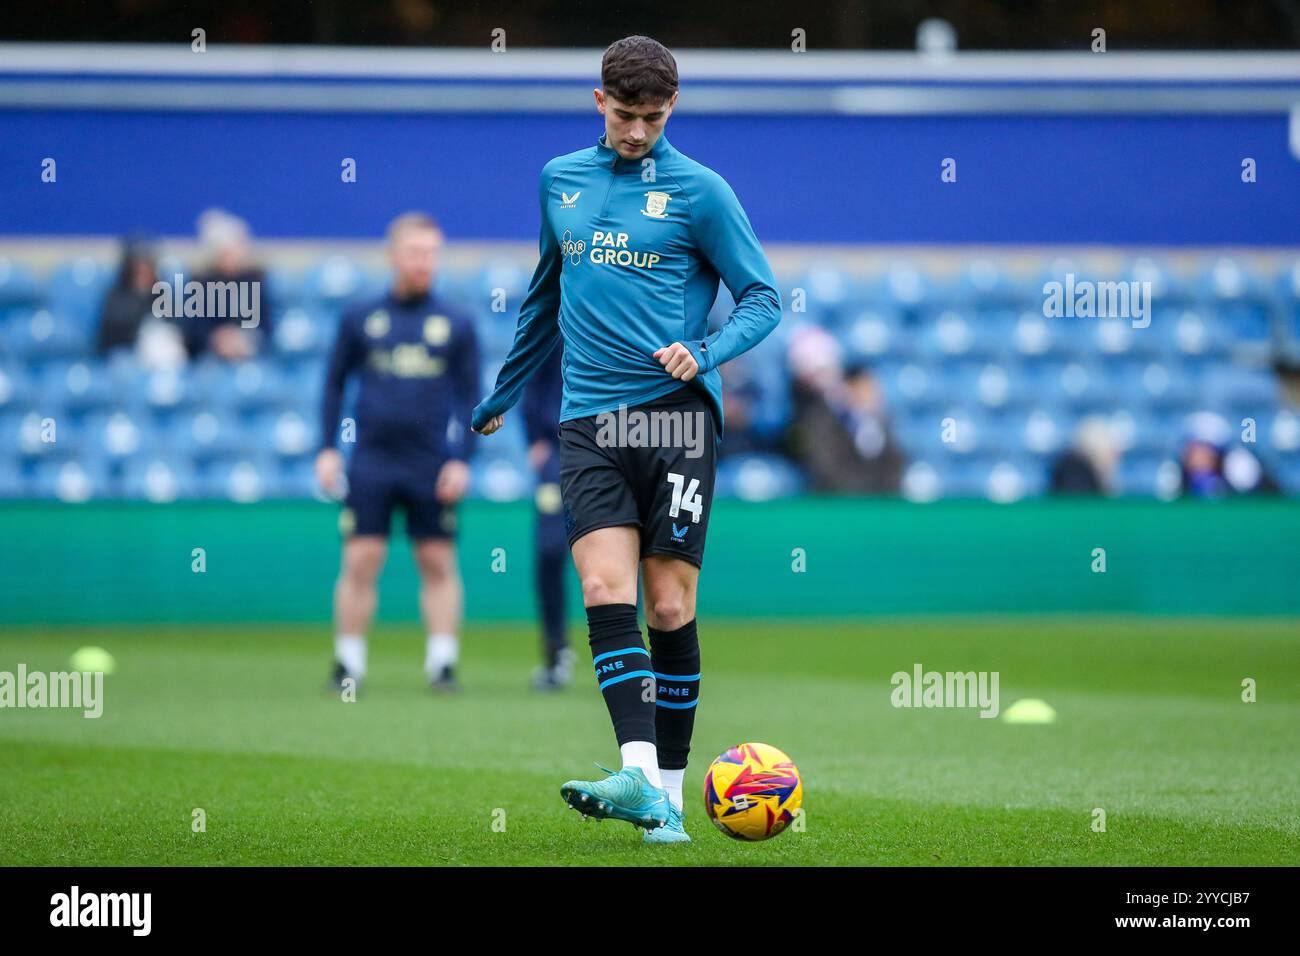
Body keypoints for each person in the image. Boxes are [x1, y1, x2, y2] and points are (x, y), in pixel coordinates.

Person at [470, 36, 781, 843]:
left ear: (671, 107)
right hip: (590, 422)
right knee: (606, 591)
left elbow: (763, 298)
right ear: (598, 99)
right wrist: (502, 394)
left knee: (669, 603)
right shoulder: (559, 181)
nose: (636, 131)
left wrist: (706, 351)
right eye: (624, 114)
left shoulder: (702, 192)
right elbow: (545, 296)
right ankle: (641, 776)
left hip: (673, 418)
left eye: (651, 116)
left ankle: (665, 797)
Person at [316, 212, 480, 693]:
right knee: (362, 559)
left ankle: (443, 663)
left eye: (432, 253)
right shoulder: (360, 317)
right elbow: (332, 384)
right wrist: (327, 449)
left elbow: (472, 396)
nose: (424, 262)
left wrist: (460, 458)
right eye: (415, 252)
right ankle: (348, 664)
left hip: (431, 463)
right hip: (371, 461)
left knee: (437, 561)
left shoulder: (456, 321)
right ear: (393, 256)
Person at [522, 343, 575, 691]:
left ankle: (631, 656)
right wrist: (535, 439)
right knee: (551, 549)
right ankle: (555, 652)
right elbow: (531, 372)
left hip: (616, 441)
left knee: (628, 552)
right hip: (558, 450)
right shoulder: (558, 315)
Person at [183, 209, 272, 361]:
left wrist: (239, 337)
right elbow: (195, 327)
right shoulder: (201, 285)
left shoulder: (255, 282)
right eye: (227, 252)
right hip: (210, 354)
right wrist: (217, 338)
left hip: (247, 352)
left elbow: (265, 326)